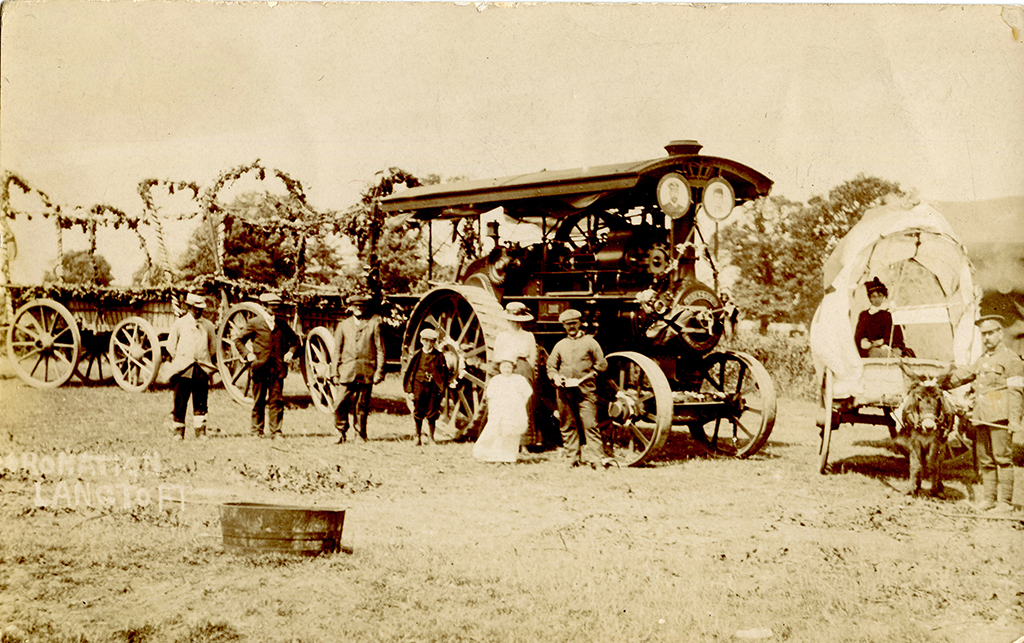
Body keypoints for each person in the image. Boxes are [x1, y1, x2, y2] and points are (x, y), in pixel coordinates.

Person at [949, 315, 1023, 513]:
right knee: (985, 460)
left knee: (1002, 458)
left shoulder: (1011, 359)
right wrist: (939, 381)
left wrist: (1015, 420)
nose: (987, 338)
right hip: (981, 416)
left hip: (1000, 417)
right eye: (984, 334)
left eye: (991, 333)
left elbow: (1017, 392)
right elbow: (964, 375)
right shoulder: (982, 359)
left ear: (1000, 333)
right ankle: (989, 500)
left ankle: (1005, 503)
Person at [232, 292, 300, 439]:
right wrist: (248, 355)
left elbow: (295, 341)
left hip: (277, 368)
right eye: (272, 307)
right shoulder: (254, 323)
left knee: (276, 400)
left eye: (277, 307)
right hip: (259, 367)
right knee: (259, 400)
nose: (275, 310)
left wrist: (290, 353)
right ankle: (256, 431)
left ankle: (276, 431)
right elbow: (238, 341)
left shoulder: (281, 324)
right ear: (264, 306)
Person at [547, 309, 608, 468]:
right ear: (564, 326)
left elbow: (601, 364)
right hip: (564, 391)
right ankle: (571, 458)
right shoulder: (560, 345)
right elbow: (551, 367)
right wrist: (556, 377)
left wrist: (591, 374)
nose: (571, 327)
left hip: (585, 391)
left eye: (574, 323)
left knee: (590, 425)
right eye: (568, 324)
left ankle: (597, 460)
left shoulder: (590, 342)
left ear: (580, 323)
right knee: (567, 425)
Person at [331, 294, 384, 443]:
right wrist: (334, 372)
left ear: (365, 308)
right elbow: (336, 351)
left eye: (362, 306)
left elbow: (380, 350)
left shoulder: (373, 325)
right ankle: (340, 432)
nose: (359, 309)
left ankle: (360, 434)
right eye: (356, 306)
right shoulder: (343, 325)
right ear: (351, 307)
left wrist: (379, 371)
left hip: (366, 371)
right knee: (340, 402)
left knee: (361, 405)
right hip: (346, 371)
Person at [166, 293, 217, 440]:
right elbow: (171, 346)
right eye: (195, 308)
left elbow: (212, 347)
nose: (198, 311)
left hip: (201, 368)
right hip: (183, 369)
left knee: (201, 400)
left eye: (201, 309)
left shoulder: (208, 325)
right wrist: (182, 359)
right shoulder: (179, 324)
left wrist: (202, 357)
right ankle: (178, 431)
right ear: (188, 307)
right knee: (180, 400)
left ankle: (200, 431)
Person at [493, 302, 540, 442]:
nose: (514, 323)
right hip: (506, 369)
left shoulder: (528, 336)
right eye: (512, 320)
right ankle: (507, 440)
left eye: (517, 321)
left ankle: (526, 441)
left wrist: (524, 368)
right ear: (507, 320)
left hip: (523, 368)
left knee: (525, 402)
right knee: (507, 404)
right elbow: (496, 355)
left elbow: (532, 357)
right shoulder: (502, 336)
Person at [473, 358, 533, 463]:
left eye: (509, 367)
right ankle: (495, 457)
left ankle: (510, 457)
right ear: (500, 368)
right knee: (498, 433)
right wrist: (493, 411)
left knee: (511, 434)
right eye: (504, 367)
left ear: (513, 368)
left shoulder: (518, 379)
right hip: (499, 411)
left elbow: (527, 393)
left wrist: (521, 404)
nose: (506, 370)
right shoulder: (496, 380)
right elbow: (490, 396)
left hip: (513, 412)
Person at [403, 328, 451, 446]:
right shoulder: (417, 355)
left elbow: (443, 373)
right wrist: (409, 391)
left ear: (434, 342)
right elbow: (410, 373)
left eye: (431, 341)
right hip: (419, 387)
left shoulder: (439, 356)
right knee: (418, 411)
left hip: (433, 388)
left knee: (432, 412)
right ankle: (418, 437)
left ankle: (431, 437)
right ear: (421, 340)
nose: (428, 344)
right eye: (426, 341)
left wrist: (441, 388)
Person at [854, 277, 908, 358]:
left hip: (890, 348)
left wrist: (883, 341)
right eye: (874, 296)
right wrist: (866, 342)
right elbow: (858, 336)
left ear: (884, 297)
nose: (877, 299)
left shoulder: (890, 313)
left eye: (880, 296)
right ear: (869, 298)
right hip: (870, 348)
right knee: (872, 353)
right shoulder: (864, 315)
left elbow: (897, 337)